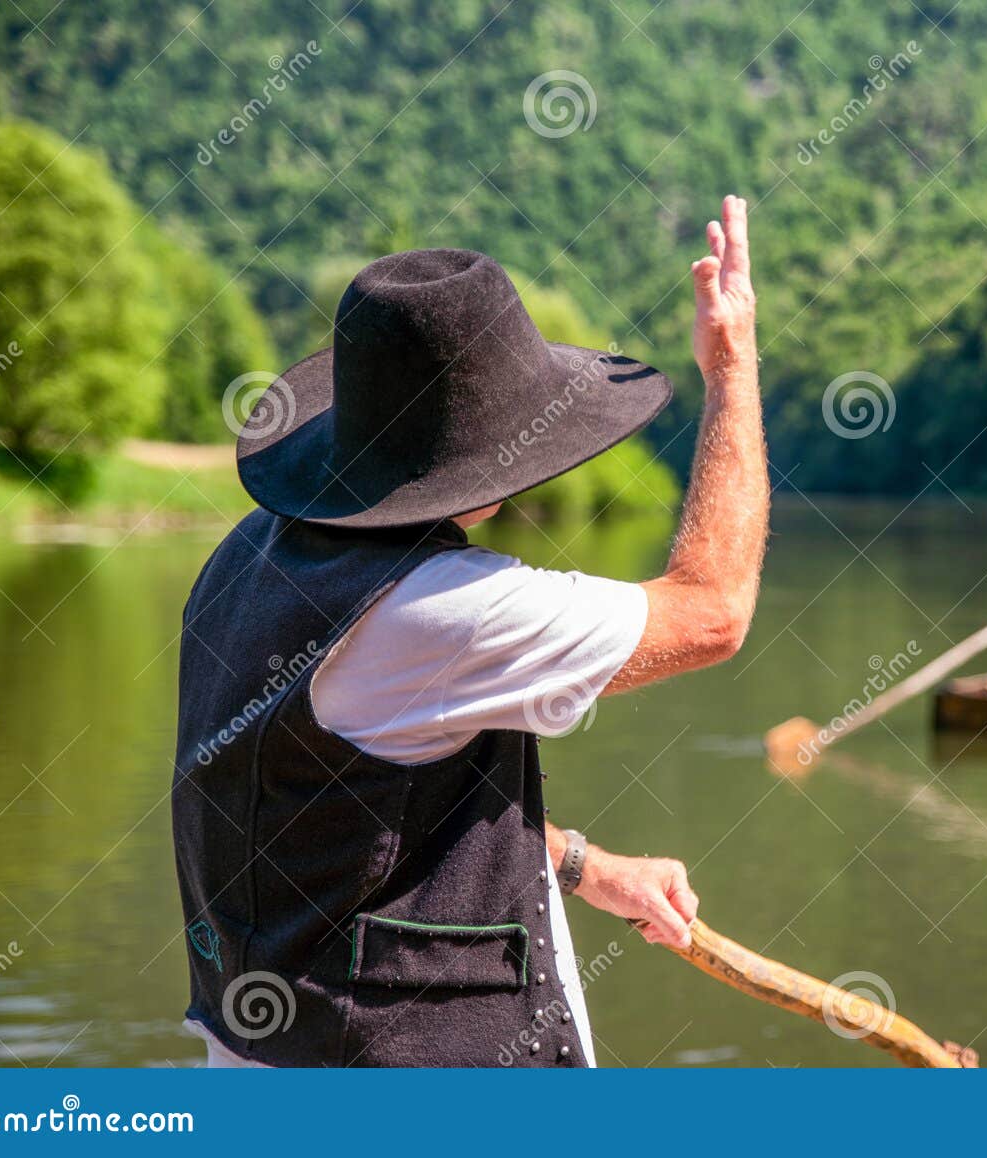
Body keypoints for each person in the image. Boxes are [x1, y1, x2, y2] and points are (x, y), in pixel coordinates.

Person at [172, 197, 766, 1067]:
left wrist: (584, 867)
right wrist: (734, 368)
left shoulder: (248, 556)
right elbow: (714, 611)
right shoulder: (443, 608)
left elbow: (355, 805)